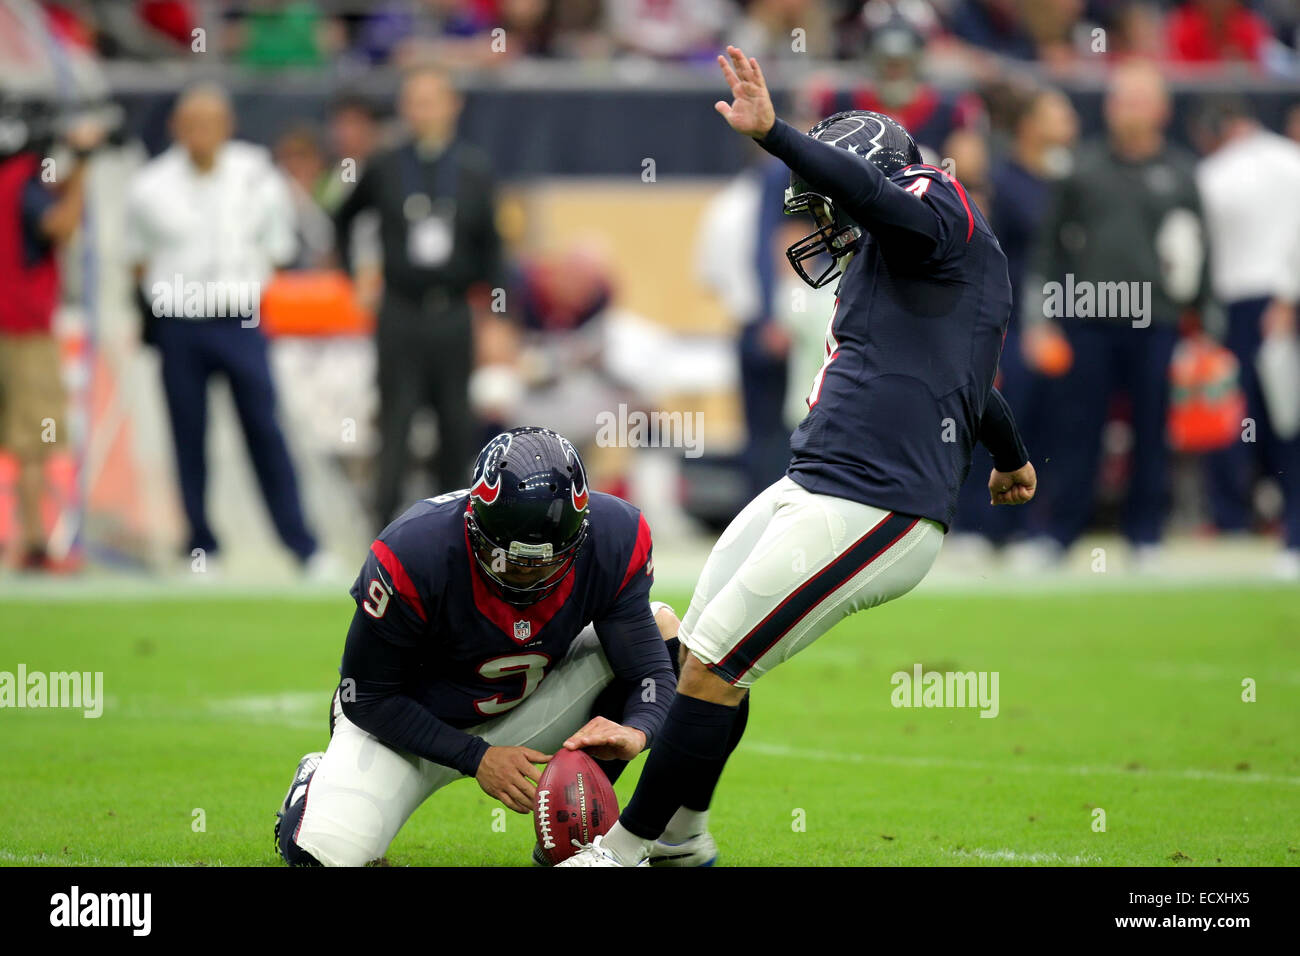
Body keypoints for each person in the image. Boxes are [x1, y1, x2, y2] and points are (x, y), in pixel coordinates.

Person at [559, 46, 1034, 867]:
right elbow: (966, 384)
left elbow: (879, 196)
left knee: (713, 668)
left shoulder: (937, 201)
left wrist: (777, 133)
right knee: (696, 659)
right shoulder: (901, 268)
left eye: (827, 202)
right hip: (812, 484)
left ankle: (622, 850)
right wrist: (1011, 457)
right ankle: (680, 835)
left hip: (879, 504)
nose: (821, 224)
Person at [274, 427, 744, 867]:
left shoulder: (612, 535)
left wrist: (638, 729)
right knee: (320, 856)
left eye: (545, 562)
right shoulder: (413, 553)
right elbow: (368, 698)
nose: (530, 575)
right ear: (475, 526)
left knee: (685, 647)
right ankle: (313, 782)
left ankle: (629, 835)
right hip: (411, 728)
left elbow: (648, 672)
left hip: (531, 703)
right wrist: (476, 757)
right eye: (514, 562)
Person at [124, 84, 326, 574]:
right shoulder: (150, 185)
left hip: (239, 319)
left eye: (210, 123)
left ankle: (303, 546)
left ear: (229, 125)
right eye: (191, 123)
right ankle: (201, 546)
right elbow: (135, 259)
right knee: (188, 434)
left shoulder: (256, 175)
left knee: (265, 429)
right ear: (175, 128)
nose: (201, 135)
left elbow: (278, 248)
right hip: (179, 324)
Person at [1024, 60, 1212, 570]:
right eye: (1118, 97)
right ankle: (1060, 533)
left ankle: (1145, 535)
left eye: (1136, 98)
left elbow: (1200, 250)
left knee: (1153, 430)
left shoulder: (1180, 173)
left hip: (1158, 320)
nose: (1123, 108)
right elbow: (1048, 252)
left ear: (1161, 108)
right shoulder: (1081, 168)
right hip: (1089, 319)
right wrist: (1040, 318)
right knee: (1078, 428)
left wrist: (1204, 324)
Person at [334, 65, 502, 529]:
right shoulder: (386, 163)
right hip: (400, 312)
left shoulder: (472, 169)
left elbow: (492, 247)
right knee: (395, 424)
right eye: (415, 101)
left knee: (455, 427)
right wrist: (355, 278)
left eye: (433, 100)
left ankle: (459, 533)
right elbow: (344, 218)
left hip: (452, 312)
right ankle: (381, 537)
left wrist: (497, 315)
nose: (423, 111)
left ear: (454, 106)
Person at [1195, 97, 1300, 579]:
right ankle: (1263, 517)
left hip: (1255, 303)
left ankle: (1245, 515)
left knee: (1257, 418)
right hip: (1267, 299)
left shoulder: (1215, 172)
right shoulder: (1285, 159)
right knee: (1267, 418)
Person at [0, 106, 103, 570]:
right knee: (33, 442)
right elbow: (58, 224)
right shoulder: (22, 180)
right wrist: (83, 164)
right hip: (22, 331)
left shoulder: (14, 181)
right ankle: (35, 544)